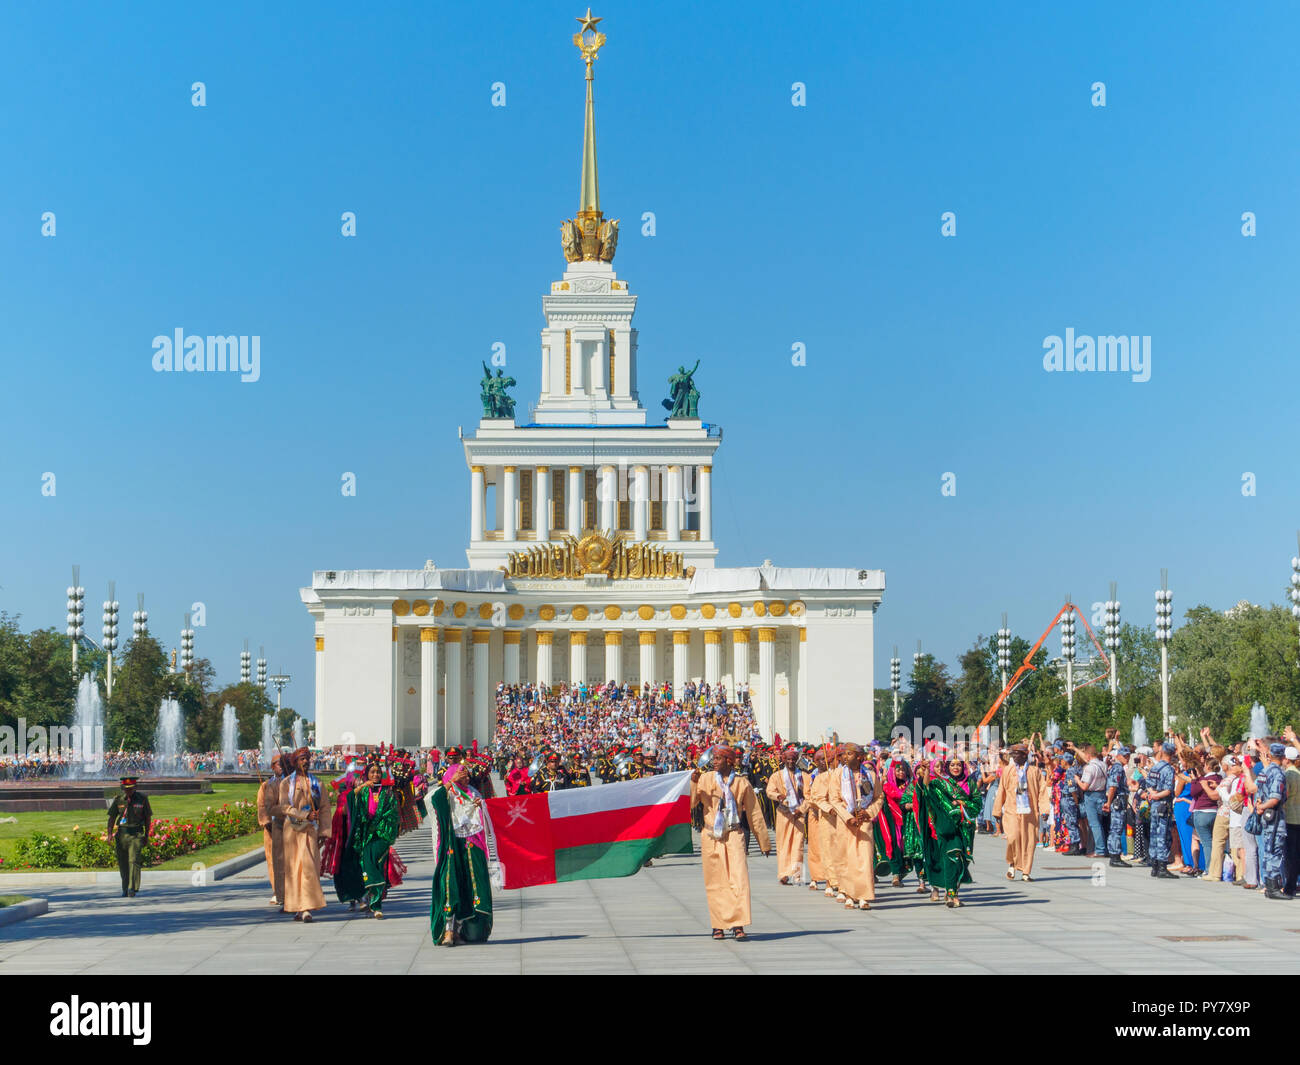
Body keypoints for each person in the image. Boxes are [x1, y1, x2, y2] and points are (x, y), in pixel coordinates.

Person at [690, 745, 771, 940]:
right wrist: (693, 784)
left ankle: (738, 924)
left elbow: (753, 813)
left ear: (729, 761)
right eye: (713, 758)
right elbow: (692, 804)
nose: (714, 761)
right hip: (712, 836)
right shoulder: (705, 779)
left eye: (718, 758)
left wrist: (764, 842)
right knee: (716, 882)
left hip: (734, 834)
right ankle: (718, 924)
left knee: (739, 880)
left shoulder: (742, 783)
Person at [430, 762, 494, 945]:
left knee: (472, 886)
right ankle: (448, 930)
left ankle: (464, 930)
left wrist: (481, 807)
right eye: (461, 775)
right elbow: (435, 800)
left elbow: (485, 820)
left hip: (472, 846)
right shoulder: (447, 792)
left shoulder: (474, 793)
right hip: (453, 844)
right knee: (451, 885)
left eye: (466, 775)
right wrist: (451, 782)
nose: (466, 778)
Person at [278, 747, 333, 922]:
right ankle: (299, 907)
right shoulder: (287, 783)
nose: (305, 762)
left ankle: (306, 906)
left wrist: (324, 831)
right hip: (292, 830)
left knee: (309, 868)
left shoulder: (317, 783)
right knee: (294, 869)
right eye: (301, 759)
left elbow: (324, 808)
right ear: (295, 762)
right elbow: (284, 807)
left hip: (310, 831)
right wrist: (303, 815)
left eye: (306, 759)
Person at [827, 743, 884, 910]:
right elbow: (834, 799)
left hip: (864, 822)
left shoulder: (871, 775)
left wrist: (869, 812)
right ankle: (848, 893)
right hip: (846, 823)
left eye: (849, 754)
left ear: (859, 757)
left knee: (864, 859)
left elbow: (879, 797)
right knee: (846, 858)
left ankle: (864, 895)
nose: (845, 757)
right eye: (844, 754)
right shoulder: (838, 774)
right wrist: (847, 816)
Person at [919, 756, 981, 908]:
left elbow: (977, 803)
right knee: (952, 856)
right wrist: (926, 770)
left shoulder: (970, 783)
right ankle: (951, 894)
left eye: (958, 765)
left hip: (965, 827)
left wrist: (962, 803)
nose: (955, 767)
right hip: (947, 827)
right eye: (952, 765)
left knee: (963, 860)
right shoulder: (941, 782)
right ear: (947, 767)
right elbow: (927, 788)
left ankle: (953, 891)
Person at [351, 758, 401, 918]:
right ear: (366, 774)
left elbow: (393, 814)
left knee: (378, 867)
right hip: (366, 835)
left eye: (378, 772)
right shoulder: (363, 791)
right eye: (372, 772)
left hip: (381, 836)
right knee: (366, 866)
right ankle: (370, 896)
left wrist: (379, 826)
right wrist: (362, 787)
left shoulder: (387, 792)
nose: (375, 774)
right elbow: (350, 799)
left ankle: (377, 905)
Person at [764, 744, 810, 885]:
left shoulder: (804, 776)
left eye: (793, 759)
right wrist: (779, 796)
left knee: (798, 845)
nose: (790, 762)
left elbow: (810, 796)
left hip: (798, 815)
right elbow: (769, 791)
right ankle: (783, 874)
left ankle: (797, 875)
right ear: (784, 760)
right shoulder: (776, 776)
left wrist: (801, 810)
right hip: (783, 814)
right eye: (788, 759)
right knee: (783, 845)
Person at [994, 744, 1041, 881]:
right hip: (1011, 810)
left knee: (1029, 842)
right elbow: (1002, 790)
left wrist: (1044, 809)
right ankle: (1012, 862)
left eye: (1017, 754)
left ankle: (1026, 872)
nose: (1014, 756)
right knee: (1013, 838)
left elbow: (1042, 790)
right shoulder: (1008, 770)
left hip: (1029, 812)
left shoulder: (1034, 771)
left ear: (1025, 755)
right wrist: (997, 810)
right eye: (1012, 754)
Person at [1253, 742, 1289, 900]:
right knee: (1274, 851)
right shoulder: (1278, 773)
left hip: (1265, 816)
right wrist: (1264, 806)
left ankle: (1269, 885)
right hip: (1274, 817)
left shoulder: (1264, 771)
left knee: (1267, 851)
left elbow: (1257, 792)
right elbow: (1275, 798)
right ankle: (1273, 887)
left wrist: (1259, 806)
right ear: (1283, 756)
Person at [106, 776, 152, 898]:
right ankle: (125, 888)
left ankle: (132, 888)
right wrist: (109, 834)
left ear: (135, 787)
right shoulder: (119, 800)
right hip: (122, 834)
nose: (128, 791)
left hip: (136, 834)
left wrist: (146, 835)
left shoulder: (142, 799)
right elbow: (111, 818)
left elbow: (148, 818)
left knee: (133, 860)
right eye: (126, 789)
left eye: (130, 788)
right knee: (123, 863)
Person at [1143, 739, 1179, 880]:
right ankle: (1162, 866)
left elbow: (1149, 784)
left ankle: (1155, 866)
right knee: (1163, 835)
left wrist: (1152, 794)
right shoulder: (1168, 769)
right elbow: (1168, 790)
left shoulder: (1156, 768)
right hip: (1163, 804)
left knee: (1154, 834)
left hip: (1154, 806)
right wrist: (1157, 795)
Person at [256, 754, 286, 906]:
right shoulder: (265, 786)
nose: (280, 766)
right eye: (277, 764)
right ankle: (277, 891)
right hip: (272, 829)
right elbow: (262, 806)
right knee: (274, 861)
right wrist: (267, 822)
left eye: (283, 763)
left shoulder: (290, 783)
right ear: (272, 767)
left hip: (289, 827)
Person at [1102, 747, 1131, 869]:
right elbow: (1113, 786)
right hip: (1117, 800)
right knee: (1116, 828)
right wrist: (1108, 803)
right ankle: (1115, 856)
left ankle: (1114, 854)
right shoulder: (1118, 768)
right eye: (1125, 756)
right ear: (1118, 755)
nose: (1127, 758)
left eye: (1128, 756)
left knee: (1115, 828)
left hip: (1117, 800)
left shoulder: (1116, 767)